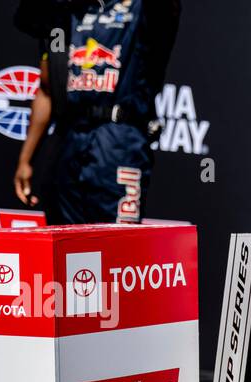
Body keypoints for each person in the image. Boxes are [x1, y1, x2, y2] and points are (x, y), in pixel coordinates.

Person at [13, 0, 179, 224]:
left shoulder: (143, 10)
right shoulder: (66, 13)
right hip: (68, 139)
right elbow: (46, 89)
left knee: (118, 247)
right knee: (66, 245)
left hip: (118, 140)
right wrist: (26, 159)